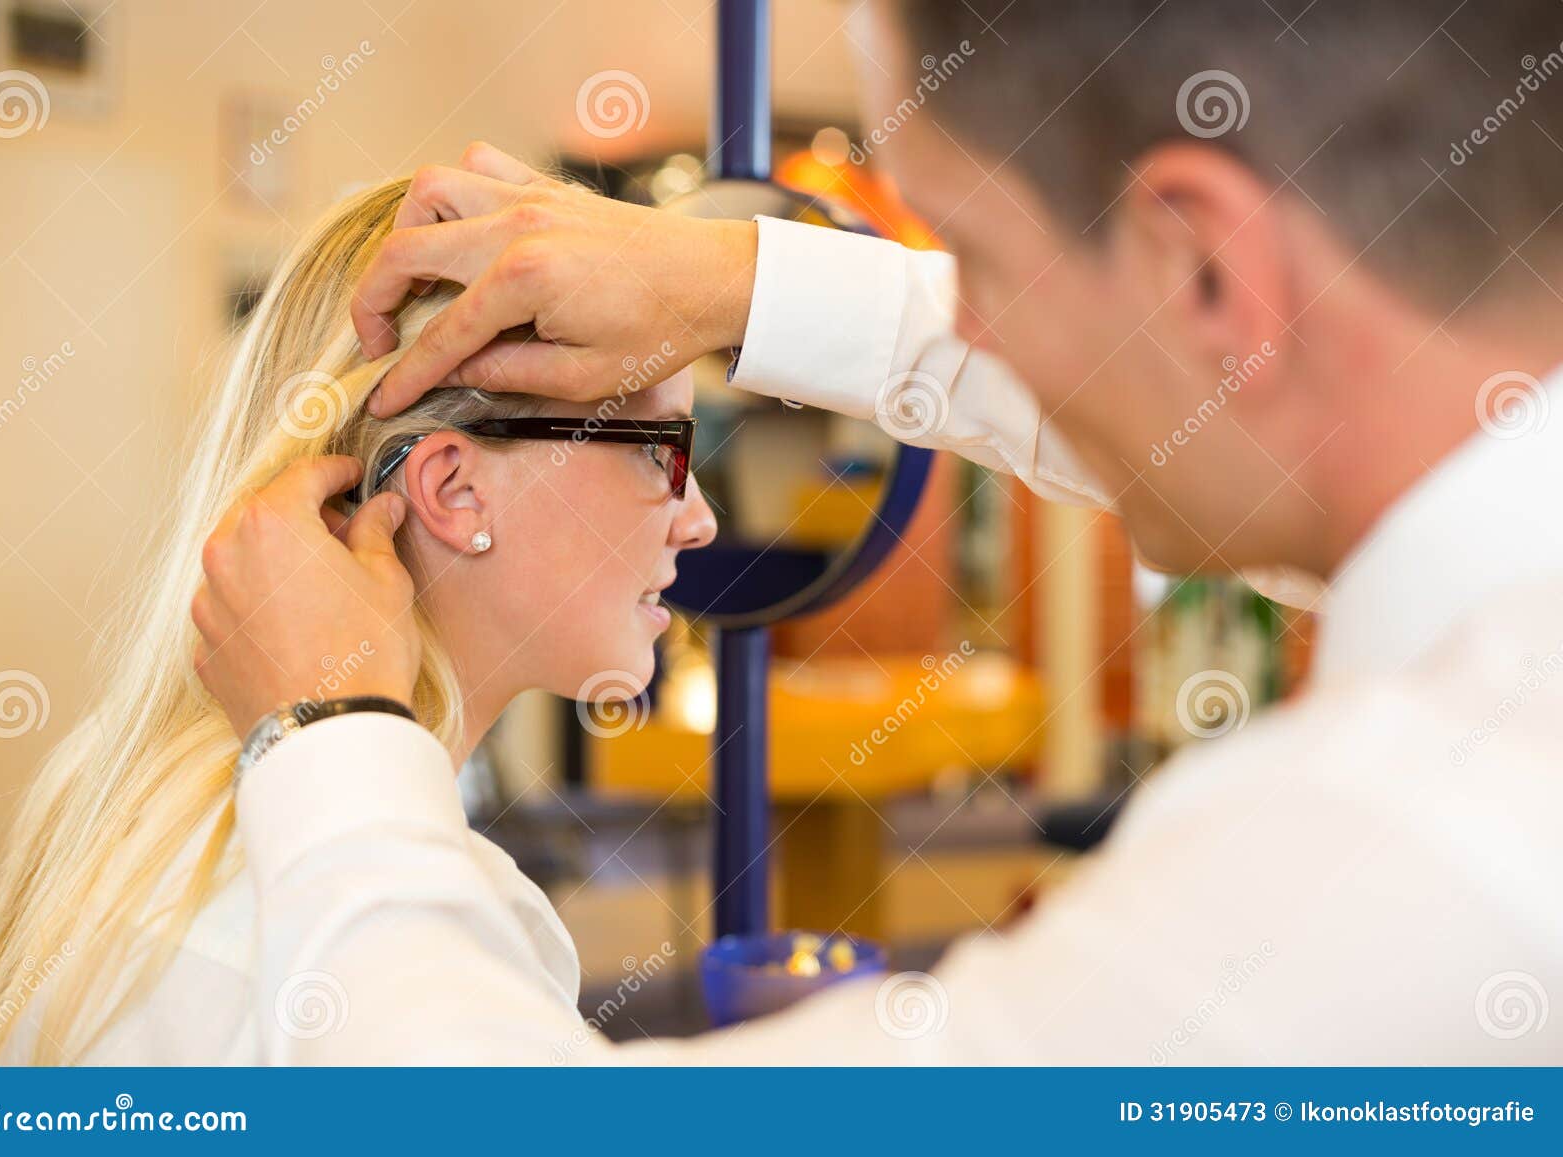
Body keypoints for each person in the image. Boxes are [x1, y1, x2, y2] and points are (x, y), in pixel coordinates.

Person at [199, 0, 1563, 1062]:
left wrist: (327, 743)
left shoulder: (1407, 849)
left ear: (1207, 267)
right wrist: (736, 277)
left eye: (972, 257)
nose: (963, 327)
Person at [0, 178, 716, 1064]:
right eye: (664, 452)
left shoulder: (141, 796)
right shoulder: (423, 930)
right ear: (453, 488)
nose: (699, 517)